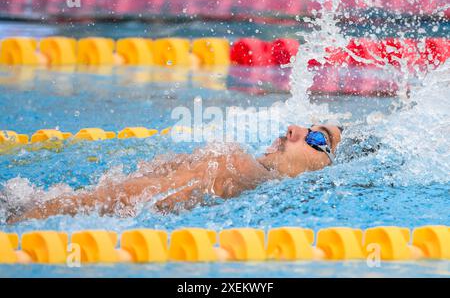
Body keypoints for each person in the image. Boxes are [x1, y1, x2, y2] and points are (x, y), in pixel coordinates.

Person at [6, 124, 342, 223]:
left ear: (326, 167)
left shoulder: (236, 170)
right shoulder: (232, 164)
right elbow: (124, 196)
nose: (293, 129)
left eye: (317, 139)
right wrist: (27, 217)